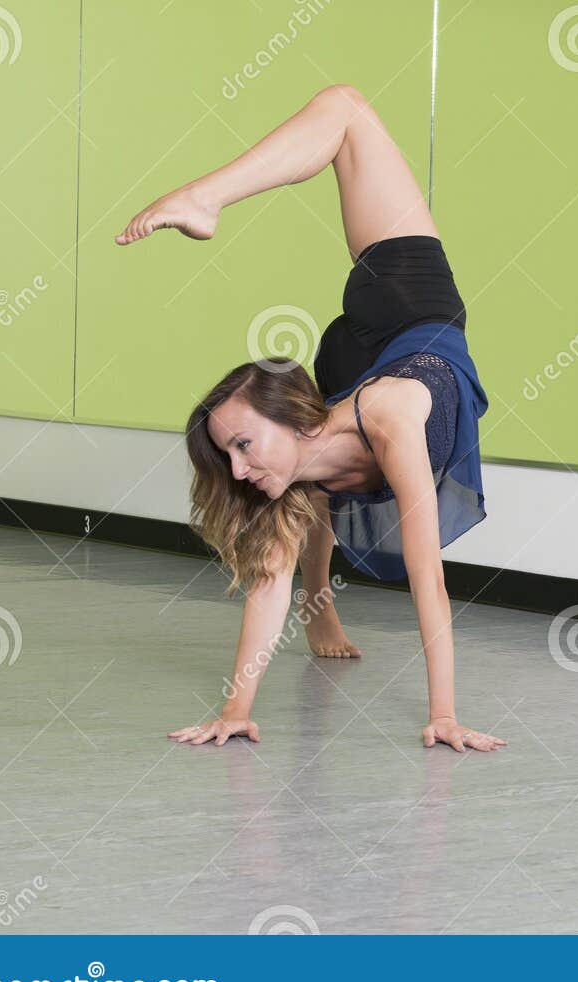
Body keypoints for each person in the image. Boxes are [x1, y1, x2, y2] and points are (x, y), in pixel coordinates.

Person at [117, 84, 506, 753]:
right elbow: (265, 591)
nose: (238, 468)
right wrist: (234, 707)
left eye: (242, 443)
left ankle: (205, 196)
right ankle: (319, 603)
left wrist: (444, 712)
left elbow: (428, 576)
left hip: (409, 308)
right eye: (229, 456)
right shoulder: (287, 465)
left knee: (347, 109)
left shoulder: (389, 418)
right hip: (351, 356)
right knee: (308, 491)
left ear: (294, 418)